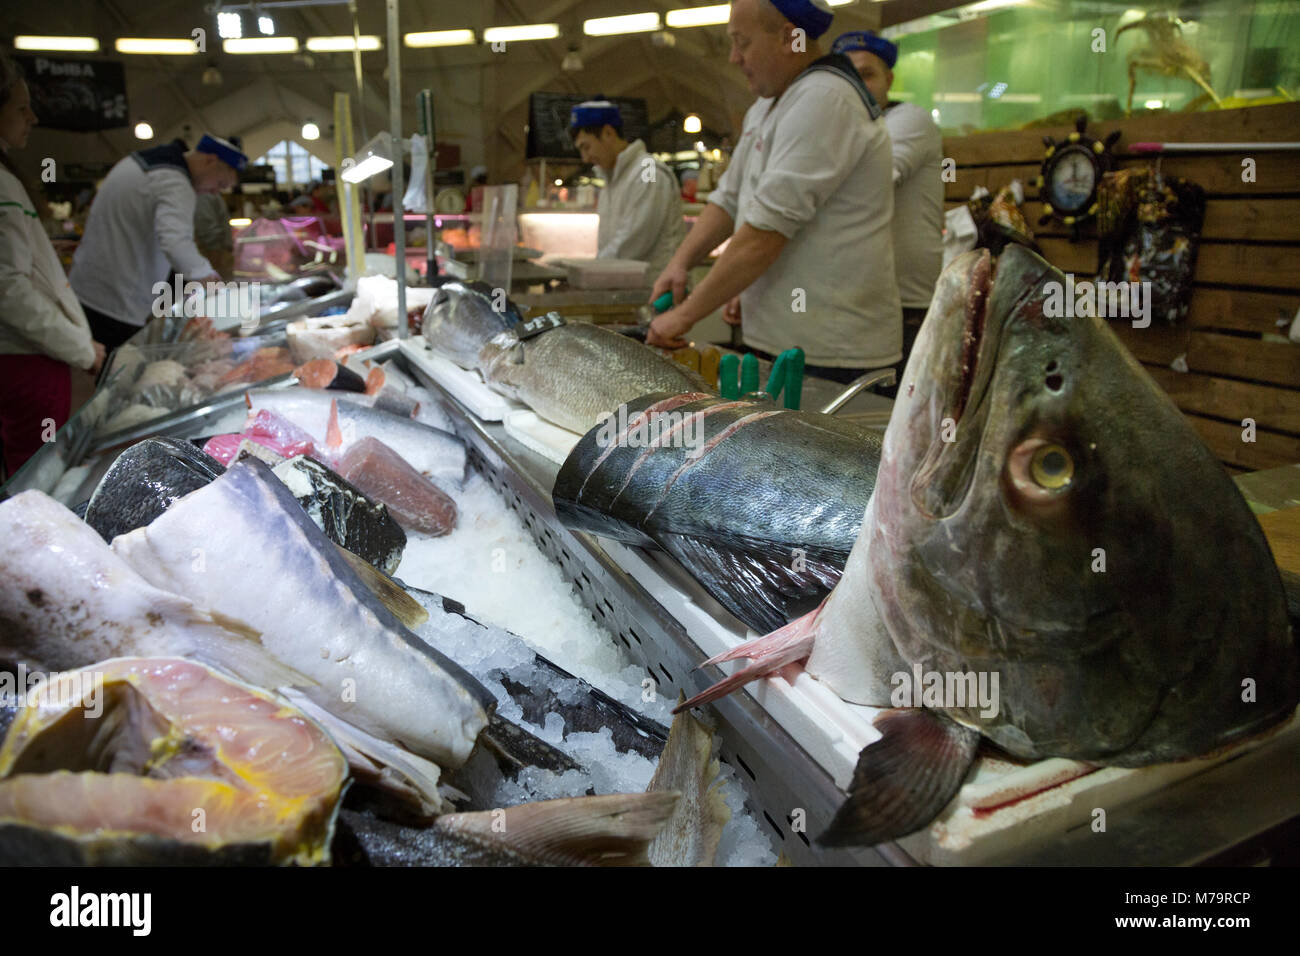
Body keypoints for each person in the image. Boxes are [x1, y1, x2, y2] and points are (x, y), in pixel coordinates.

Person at [647, 0, 902, 387]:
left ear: (789, 38)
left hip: (830, 352)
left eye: (742, 42)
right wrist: (680, 262)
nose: (733, 58)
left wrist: (684, 316)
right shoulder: (768, 105)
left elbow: (763, 235)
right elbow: (729, 200)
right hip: (779, 339)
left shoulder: (826, 98)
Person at [0, 54, 104, 476]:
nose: (33, 117)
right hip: (26, 360)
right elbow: (9, 291)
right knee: (35, 477)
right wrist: (79, 346)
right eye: (21, 107)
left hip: (31, 357)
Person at [70, 133, 247, 348]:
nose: (215, 192)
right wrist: (214, 284)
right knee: (114, 370)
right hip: (117, 299)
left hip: (92, 287)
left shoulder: (147, 162)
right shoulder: (175, 181)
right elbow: (176, 243)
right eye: (219, 184)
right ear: (210, 160)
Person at [834, 30, 943, 369]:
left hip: (907, 306)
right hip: (862, 303)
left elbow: (872, 180)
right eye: (849, 76)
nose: (859, 86)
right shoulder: (846, 132)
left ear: (889, 79)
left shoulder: (909, 120)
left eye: (868, 74)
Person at [570, 98, 684, 282]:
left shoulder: (648, 170)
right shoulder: (611, 179)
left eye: (587, 147)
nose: (585, 158)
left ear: (608, 133)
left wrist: (590, 270)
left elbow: (634, 242)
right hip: (628, 291)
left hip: (658, 293)